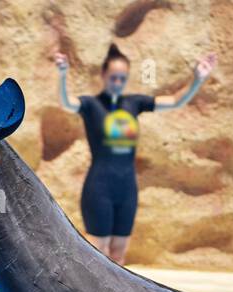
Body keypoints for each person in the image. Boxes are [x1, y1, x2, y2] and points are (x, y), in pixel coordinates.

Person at [55, 44, 216, 265]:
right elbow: (66, 103)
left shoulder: (134, 103)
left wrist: (197, 78)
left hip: (127, 189)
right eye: (113, 78)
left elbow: (176, 101)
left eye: (122, 78)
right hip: (99, 188)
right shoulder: (91, 105)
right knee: (97, 253)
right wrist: (62, 75)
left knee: (119, 255)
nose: (118, 83)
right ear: (103, 75)